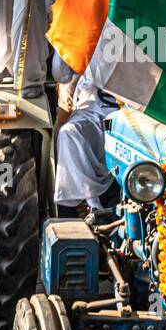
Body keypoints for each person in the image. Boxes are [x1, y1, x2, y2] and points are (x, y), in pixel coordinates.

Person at [53, 56, 120, 221]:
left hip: (133, 110)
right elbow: (60, 72)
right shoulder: (85, 33)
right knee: (68, 133)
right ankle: (93, 206)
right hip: (91, 111)